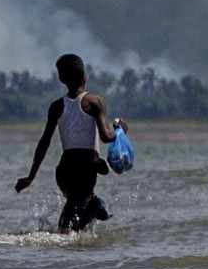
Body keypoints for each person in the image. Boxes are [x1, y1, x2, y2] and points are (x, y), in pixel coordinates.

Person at [14, 53, 128, 233]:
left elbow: (44, 143)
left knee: (78, 209)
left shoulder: (57, 106)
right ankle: (87, 215)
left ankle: (95, 209)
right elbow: (106, 137)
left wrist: (31, 176)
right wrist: (120, 130)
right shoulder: (95, 102)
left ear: (61, 79)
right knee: (66, 225)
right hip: (86, 169)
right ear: (84, 76)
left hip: (64, 171)